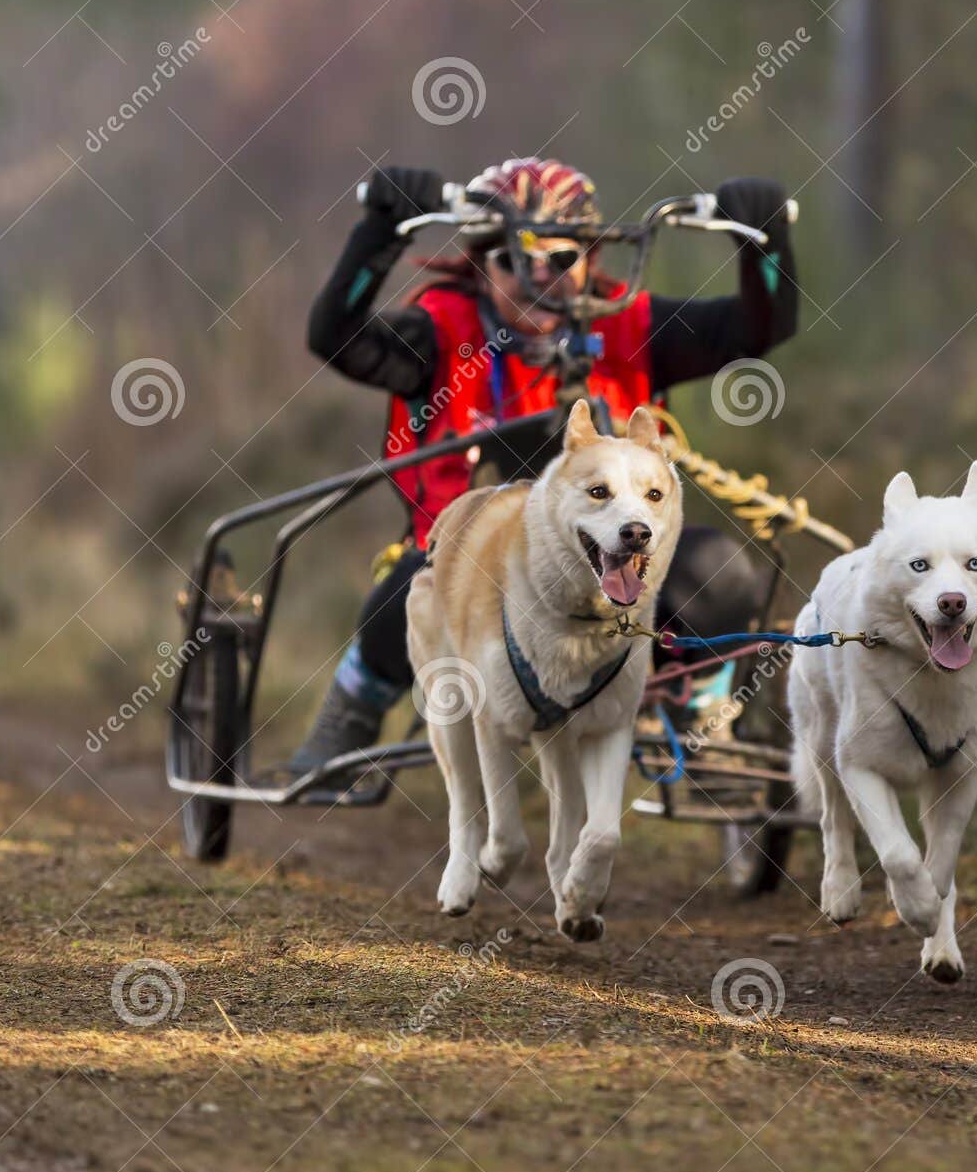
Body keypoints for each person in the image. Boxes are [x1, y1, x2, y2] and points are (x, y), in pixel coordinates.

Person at [290, 156, 799, 773]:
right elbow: (333, 334)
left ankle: (704, 711)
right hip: (474, 573)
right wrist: (380, 228)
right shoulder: (438, 333)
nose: (539, 279)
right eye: (512, 261)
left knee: (721, 571)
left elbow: (760, 326)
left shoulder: (631, 327)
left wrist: (766, 237)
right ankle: (353, 706)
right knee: (407, 593)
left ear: (589, 262)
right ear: (480, 265)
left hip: (619, 579)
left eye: (560, 260)